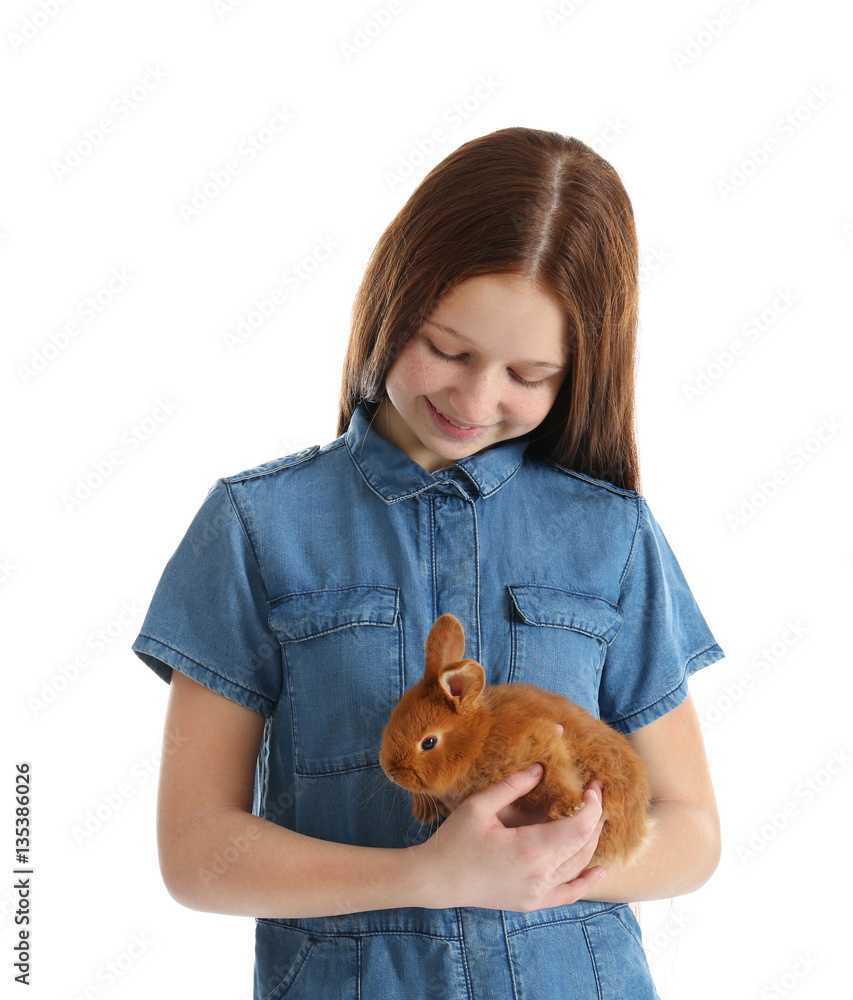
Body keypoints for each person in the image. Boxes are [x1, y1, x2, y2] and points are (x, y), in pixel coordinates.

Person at [132, 126, 725, 999]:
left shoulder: (613, 534)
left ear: (578, 374)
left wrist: (549, 862)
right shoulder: (257, 526)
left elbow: (693, 832)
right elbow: (196, 853)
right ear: (394, 298)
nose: (476, 398)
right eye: (448, 349)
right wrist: (431, 876)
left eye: (530, 374)